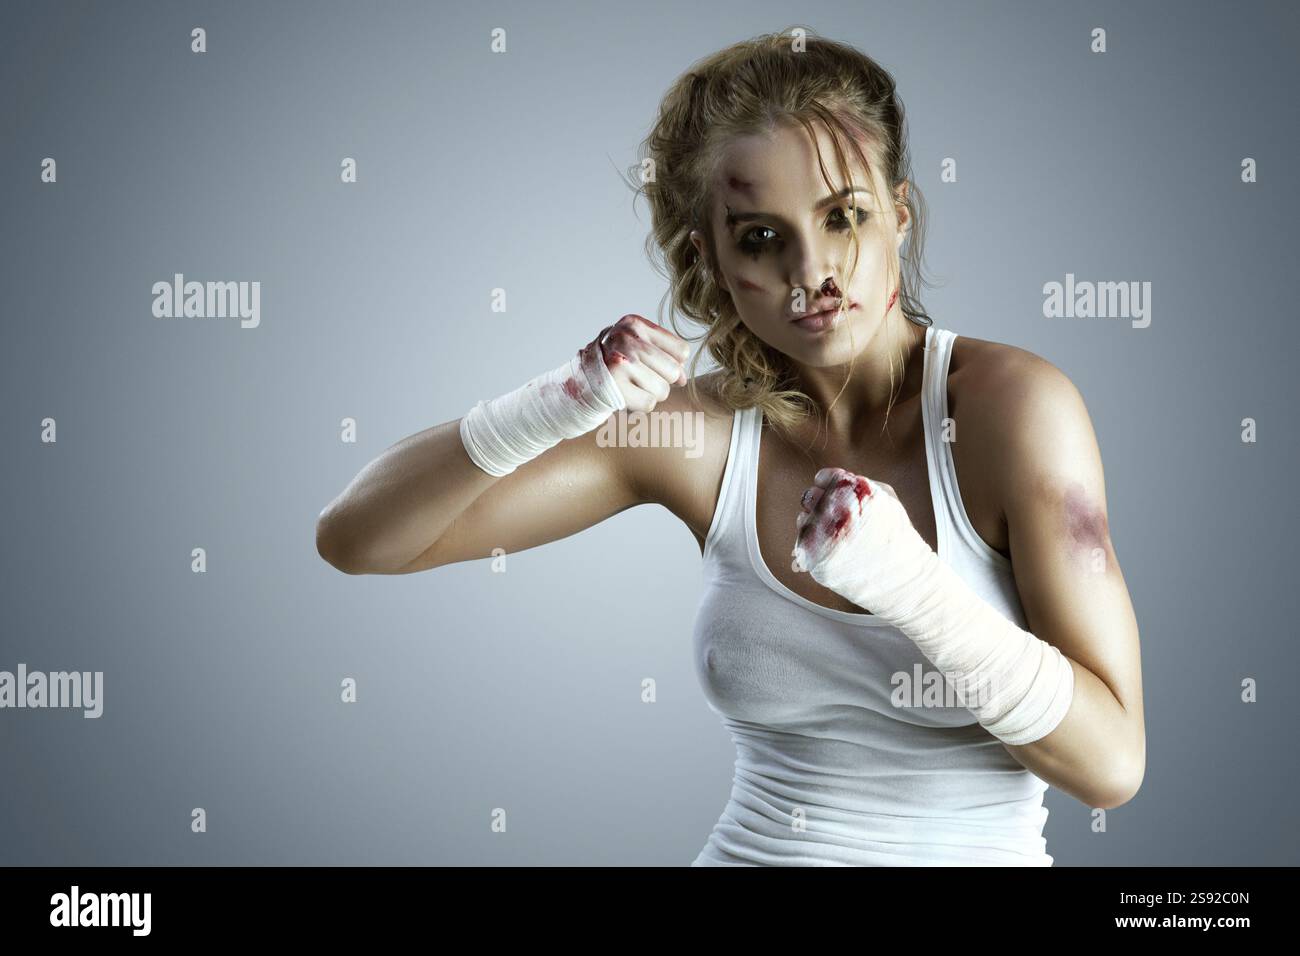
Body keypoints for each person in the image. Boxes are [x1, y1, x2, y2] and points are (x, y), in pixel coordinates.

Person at [315, 28, 1145, 866]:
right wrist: (554, 403)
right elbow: (358, 538)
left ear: (898, 214)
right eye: (759, 238)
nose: (812, 270)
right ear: (706, 257)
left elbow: (1112, 766)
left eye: (842, 217)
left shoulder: (1012, 410)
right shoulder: (697, 435)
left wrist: (913, 588)